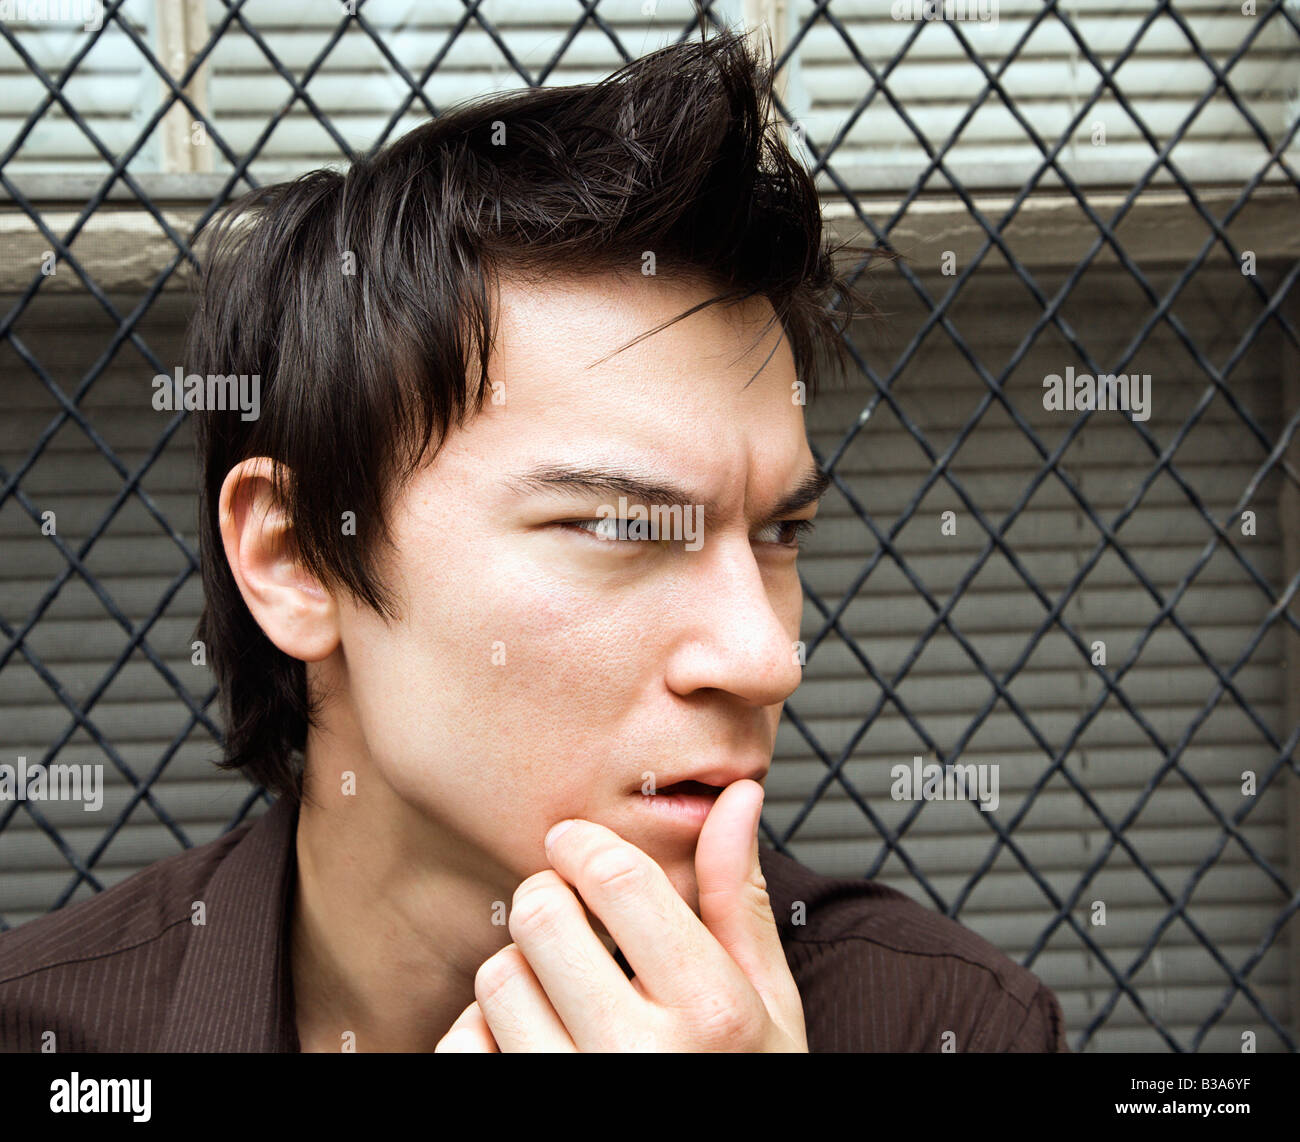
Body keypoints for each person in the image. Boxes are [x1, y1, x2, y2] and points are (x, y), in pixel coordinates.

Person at [0, 30, 1067, 1053]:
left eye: (780, 531)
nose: (766, 655)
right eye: (618, 524)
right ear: (296, 559)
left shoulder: (948, 1021)